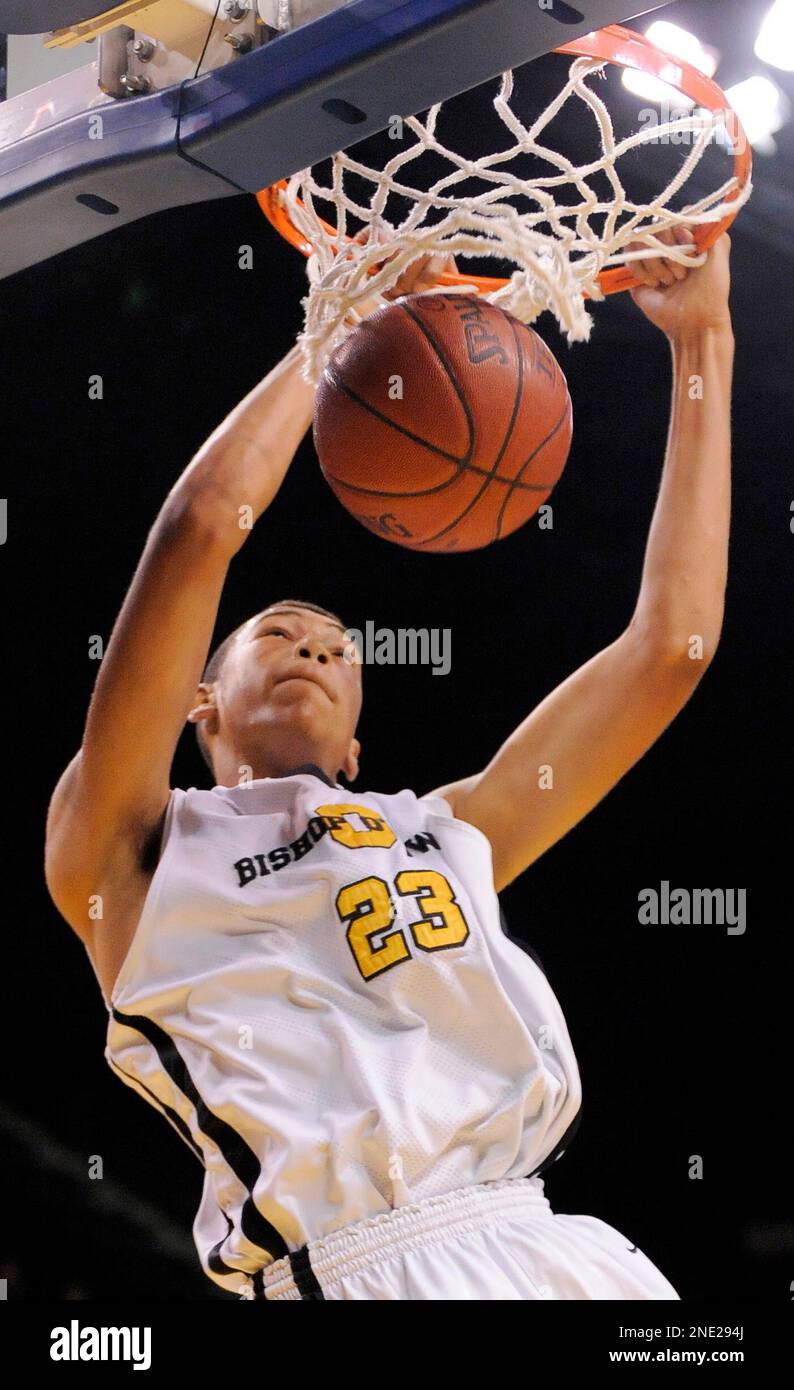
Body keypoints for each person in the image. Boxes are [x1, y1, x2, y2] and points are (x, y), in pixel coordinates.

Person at [45, 229, 734, 1300]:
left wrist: (702, 345)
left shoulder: (449, 828)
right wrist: (331, 333)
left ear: (360, 745)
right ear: (199, 700)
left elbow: (671, 649)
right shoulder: (131, 846)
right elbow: (196, 529)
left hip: (555, 1247)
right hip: (361, 1267)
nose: (316, 645)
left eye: (337, 644)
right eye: (277, 631)